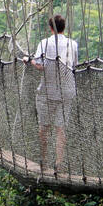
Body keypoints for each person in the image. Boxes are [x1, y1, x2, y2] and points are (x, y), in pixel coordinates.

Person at [23, 14, 78, 175]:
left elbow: (40, 66)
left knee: (44, 127)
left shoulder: (45, 43)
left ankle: (43, 161)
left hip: (47, 91)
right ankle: (59, 163)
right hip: (67, 91)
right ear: (64, 27)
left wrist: (29, 60)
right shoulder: (73, 44)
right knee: (61, 128)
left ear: (50, 28)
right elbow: (73, 65)